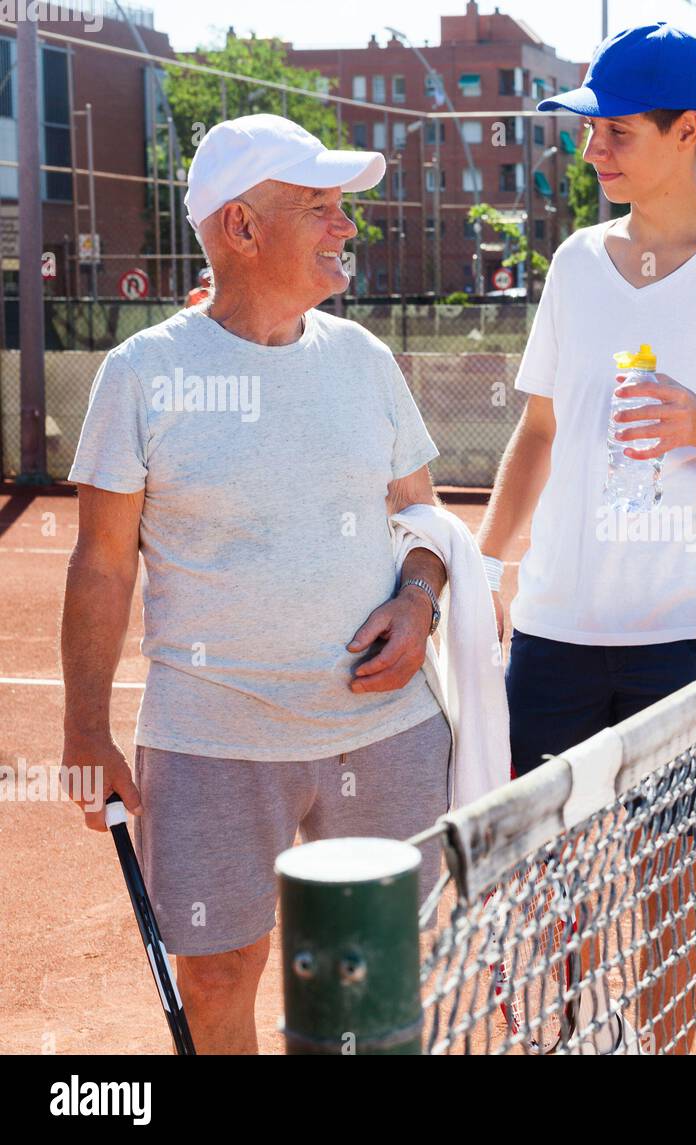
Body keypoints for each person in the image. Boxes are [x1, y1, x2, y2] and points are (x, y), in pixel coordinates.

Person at [60, 114, 452, 1054]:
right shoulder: (143, 373)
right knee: (218, 977)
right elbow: (103, 563)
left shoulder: (363, 362)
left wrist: (419, 601)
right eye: (318, 209)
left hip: (384, 730)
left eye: (340, 211)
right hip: (211, 741)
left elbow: (423, 523)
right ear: (241, 227)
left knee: (372, 975)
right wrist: (82, 728)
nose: (344, 228)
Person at [475, 23, 696, 1054]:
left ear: (687, 131)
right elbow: (534, 430)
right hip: (552, 636)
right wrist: (488, 564)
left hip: (686, 645)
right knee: (538, 893)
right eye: (589, 131)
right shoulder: (576, 265)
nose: (595, 151)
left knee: (670, 895)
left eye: (618, 131)